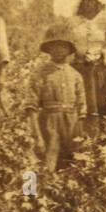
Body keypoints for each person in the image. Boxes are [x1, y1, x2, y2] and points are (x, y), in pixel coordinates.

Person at [25, 23, 86, 173]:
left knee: (72, 165)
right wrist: (37, 135)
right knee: (48, 163)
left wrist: (80, 131)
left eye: (63, 46)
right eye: (54, 46)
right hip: (49, 123)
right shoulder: (40, 73)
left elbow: (81, 106)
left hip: (71, 123)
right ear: (48, 49)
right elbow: (31, 106)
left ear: (69, 49)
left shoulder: (75, 75)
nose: (59, 49)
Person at [69, 0, 106, 131]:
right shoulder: (73, 23)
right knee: (80, 101)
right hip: (79, 67)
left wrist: (104, 54)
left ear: (97, 3)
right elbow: (69, 44)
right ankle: (80, 134)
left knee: (100, 102)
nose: (88, 4)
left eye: (91, 0)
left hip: (100, 68)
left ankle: (99, 134)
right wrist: (78, 56)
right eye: (85, 0)